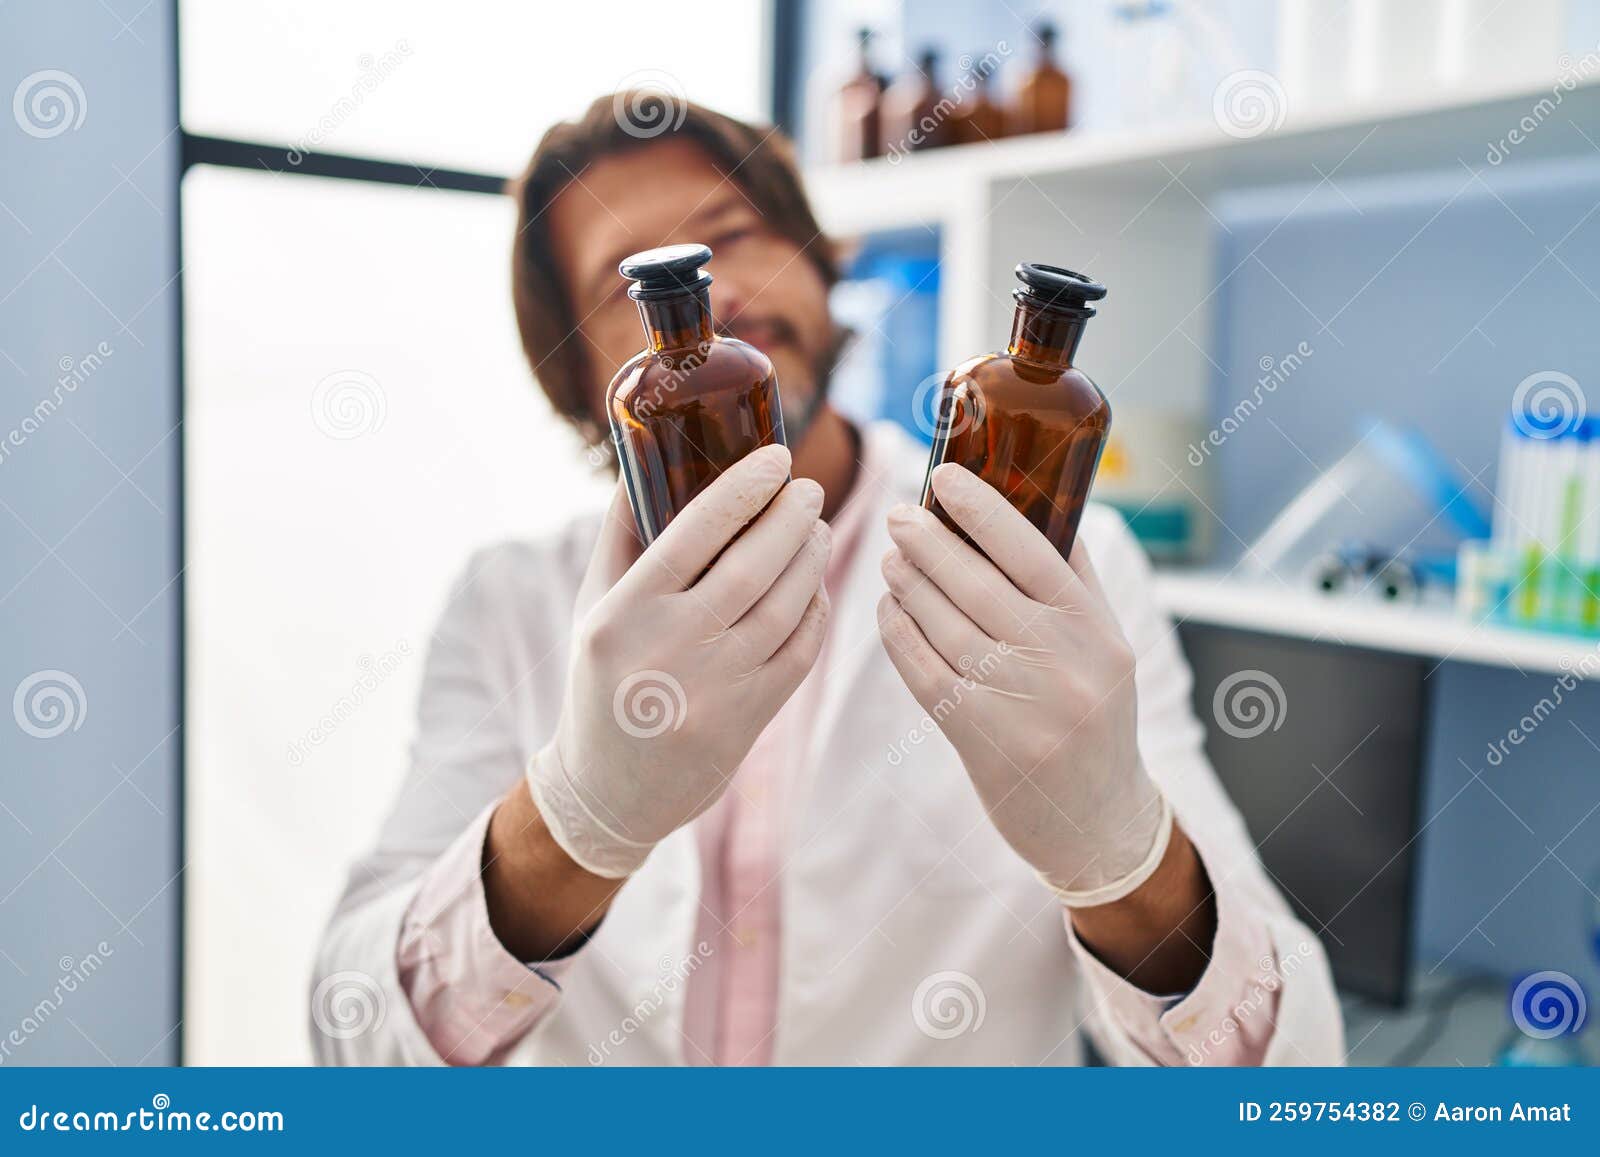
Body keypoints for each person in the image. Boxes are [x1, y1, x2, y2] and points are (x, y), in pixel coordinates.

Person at [313, 94, 1344, 1066]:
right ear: (581, 378)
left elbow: (1292, 1069)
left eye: (738, 231)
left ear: (818, 258)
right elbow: (351, 1030)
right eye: (628, 279)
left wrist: (1118, 851)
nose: (706, 294)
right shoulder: (505, 605)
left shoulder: (1069, 574)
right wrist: (576, 816)